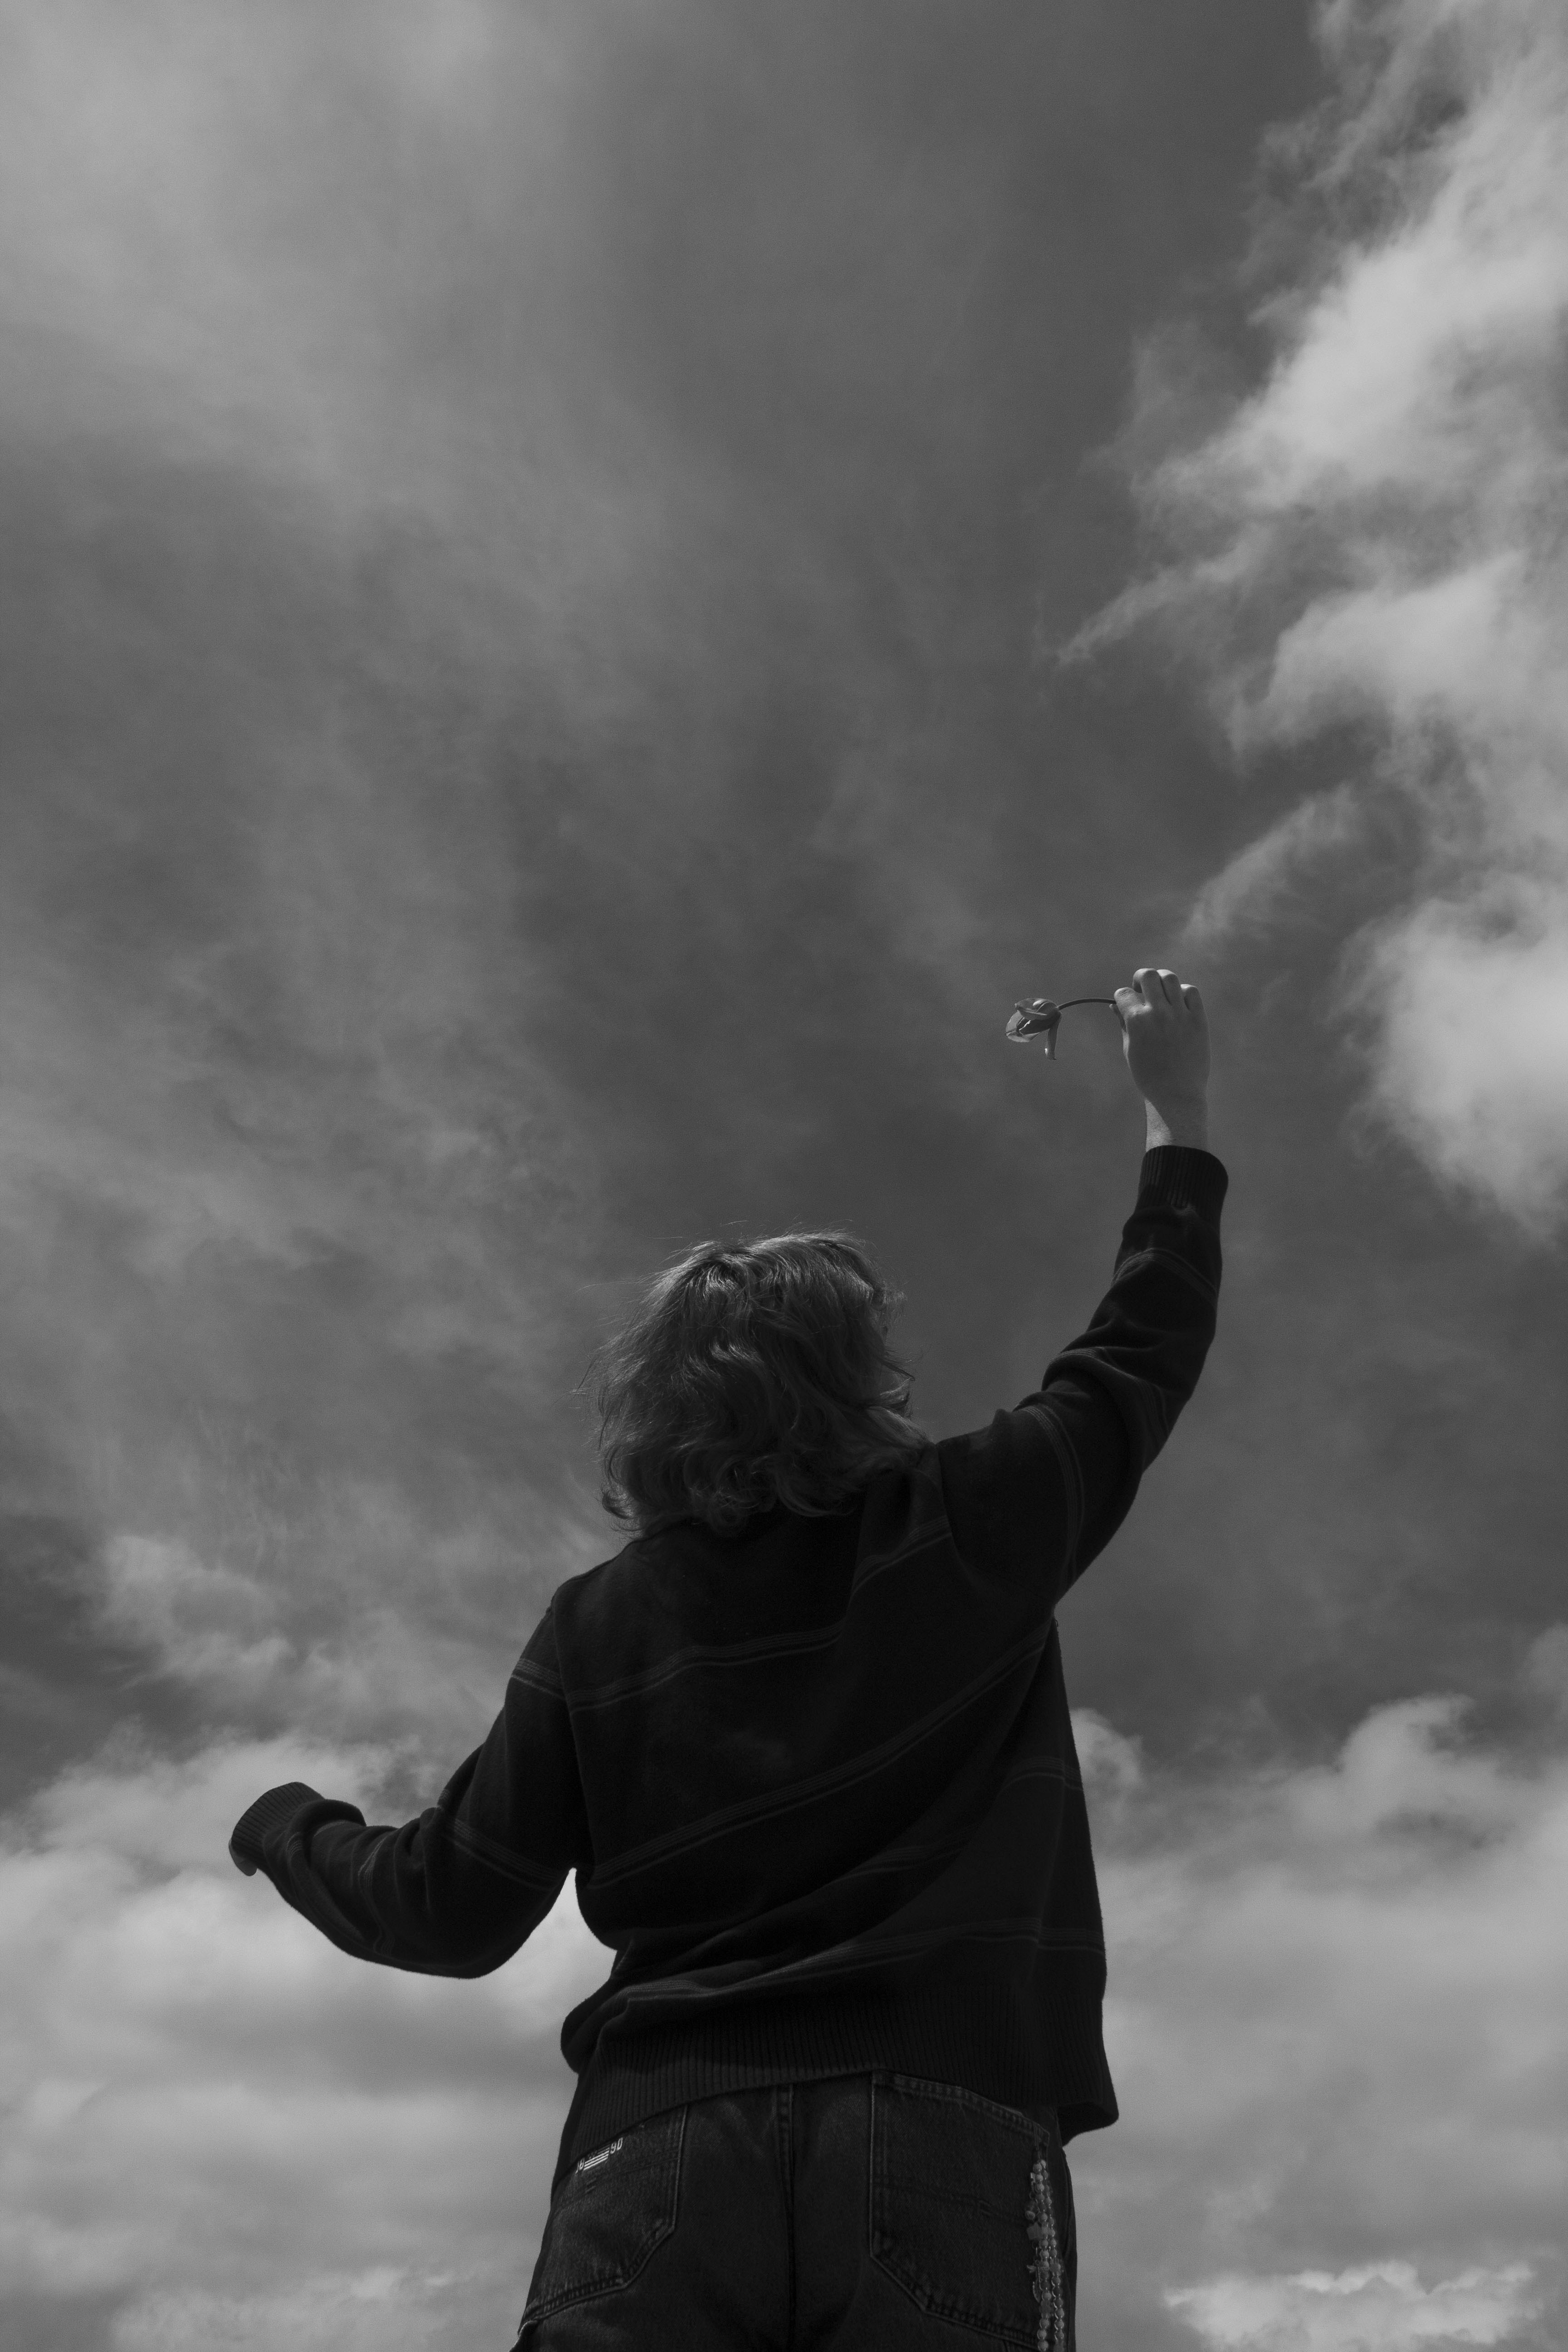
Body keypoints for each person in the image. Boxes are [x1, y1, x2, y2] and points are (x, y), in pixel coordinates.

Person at [229, 965, 1223, 2351]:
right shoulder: (967, 1522)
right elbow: (1139, 1349)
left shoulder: (597, 1627)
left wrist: (284, 1825)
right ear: (860, 1376)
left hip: (657, 2145)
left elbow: (448, 1909)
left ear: (651, 1409)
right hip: (945, 2121)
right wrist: (1177, 1114)